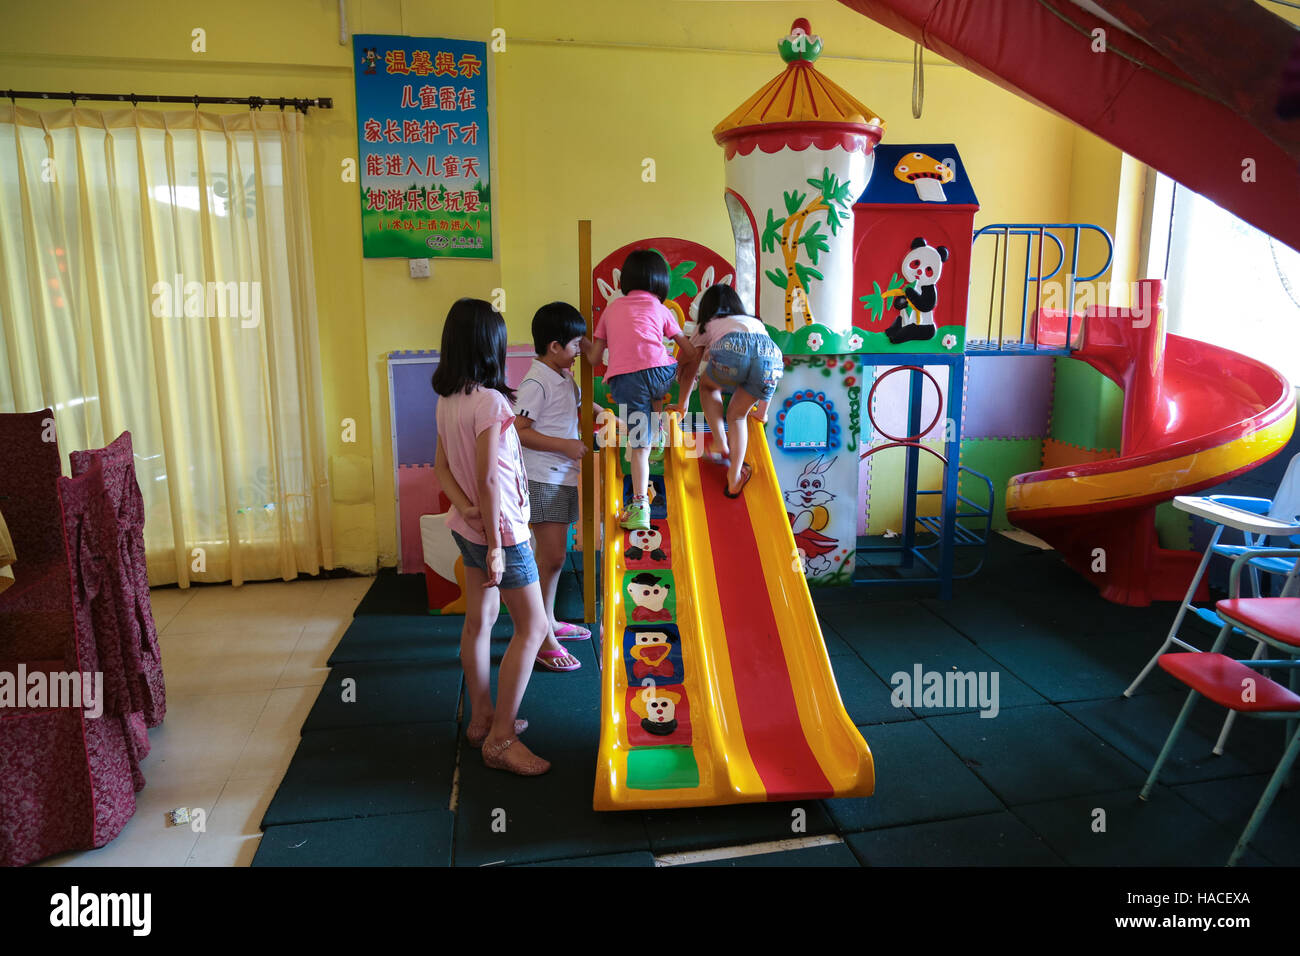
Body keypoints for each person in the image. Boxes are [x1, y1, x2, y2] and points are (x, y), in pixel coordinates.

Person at [432, 298, 550, 776]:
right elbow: (488, 479)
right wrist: (500, 546)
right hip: (504, 532)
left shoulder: (448, 399)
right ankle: (500, 739)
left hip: (468, 528)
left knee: (480, 619)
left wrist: (464, 511)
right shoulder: (491, 402)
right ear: (489, 347)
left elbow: (442, 468)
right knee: (534, 627)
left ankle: (482, 716)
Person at [583, 249, 696, 531]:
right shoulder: (661, 308)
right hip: (660, 374)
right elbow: (690, 350)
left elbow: (594, 359)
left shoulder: (611, 309)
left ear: (626, 280)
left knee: (639, 448)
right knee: (656, 387)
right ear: (660, 283)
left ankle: (639, 506)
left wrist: (583, 342)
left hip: (626, 381)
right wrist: (677, 368)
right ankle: (656, 434)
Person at [513, 301, 591, 669]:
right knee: (553, 557)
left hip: (561, 478)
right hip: (542, 478)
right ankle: (543, 637)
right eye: (576, 344)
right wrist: (565, 446)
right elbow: (518, 430)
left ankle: (550, 621)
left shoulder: (562, 375)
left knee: (554, 559)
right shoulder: (536, 380)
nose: (580, 350)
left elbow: (571, 410)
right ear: (555, 346)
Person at [674, 284, 783, 498]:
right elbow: (768, 363)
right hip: (772, 358)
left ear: (706, 309)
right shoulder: (755, 322)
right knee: (737, 415)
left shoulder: (707, 325)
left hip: (732, 350)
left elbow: (691, 370)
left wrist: (682, 404)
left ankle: (720, 442)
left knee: (708, 387)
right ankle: (734, 478)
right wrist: (762, 410)